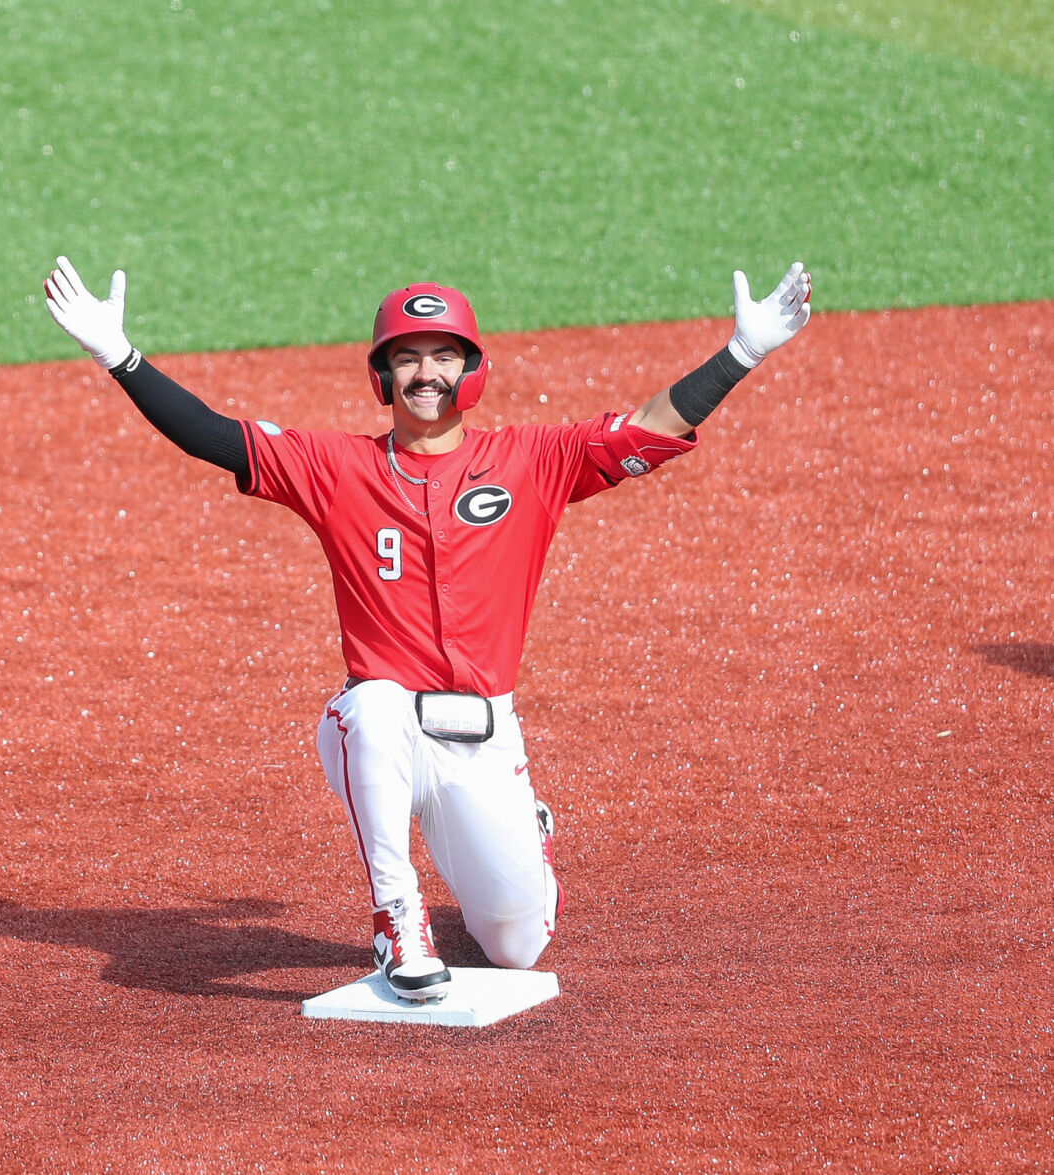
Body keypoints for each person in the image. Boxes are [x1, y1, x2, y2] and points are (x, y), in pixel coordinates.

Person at [44, 256, 811, 1000]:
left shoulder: (532, 460)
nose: (425, 373)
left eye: (443, 355)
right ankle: (397, 918)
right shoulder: (334, 466)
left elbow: (645, 426)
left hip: (484, 736)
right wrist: (118, 355)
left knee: (515, 946)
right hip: (385, 731)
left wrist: (740, 354)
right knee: (373, 705)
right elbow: (213, 435)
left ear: (471, 368)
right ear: (381, 375)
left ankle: (526, 837)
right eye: (406, 357)